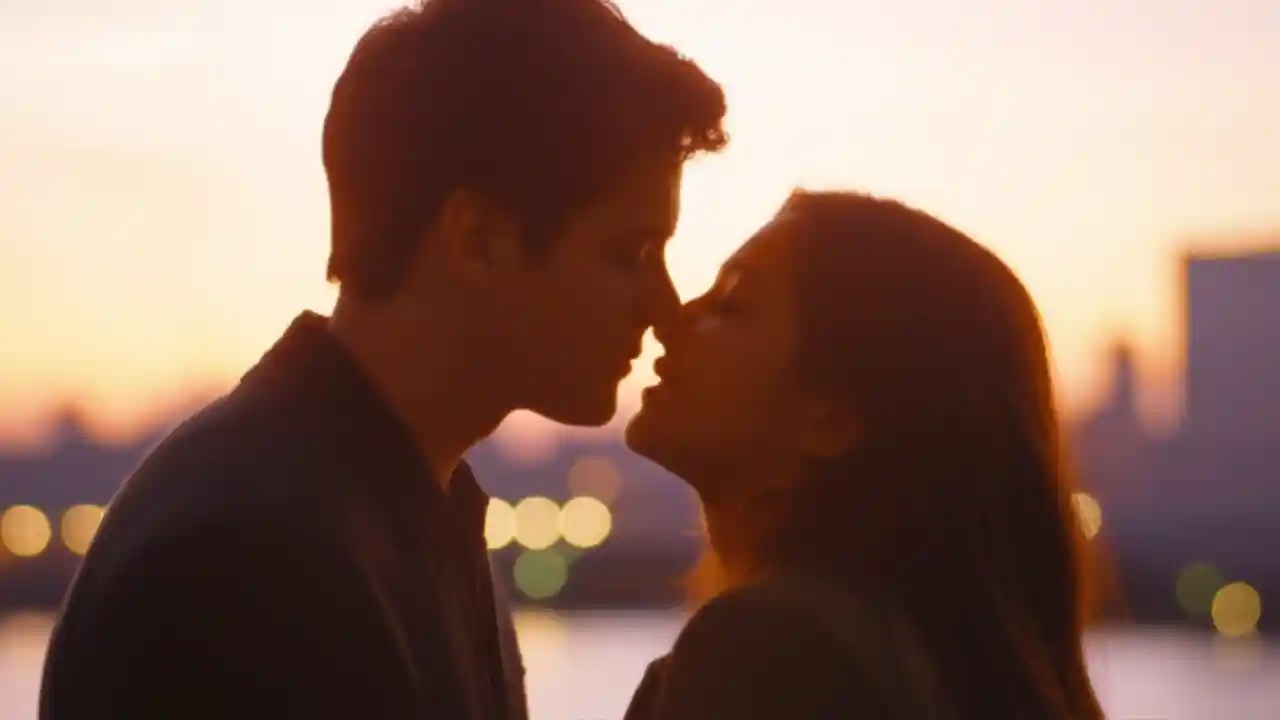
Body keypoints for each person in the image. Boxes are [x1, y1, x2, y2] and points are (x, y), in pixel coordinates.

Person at [39, 0, 725, 717]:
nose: (665, 306)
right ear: (477, 240)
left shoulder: (383, 504)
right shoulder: (262, 560)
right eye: (632, 253)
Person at [624, 191, 1105, 719]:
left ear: (828, 418)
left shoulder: (768, 654)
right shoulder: (930, 661)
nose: (671, 322)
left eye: (731, 305)